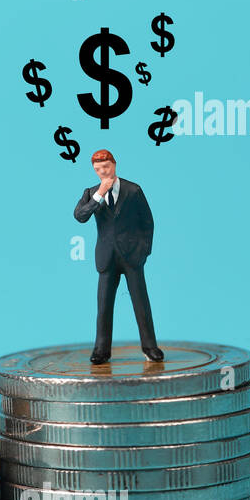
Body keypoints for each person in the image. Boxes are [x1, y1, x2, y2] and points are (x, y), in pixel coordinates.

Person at [73, 149, 163, 364]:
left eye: (106, 167)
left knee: (141, 303)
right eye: (97, 169)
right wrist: (98, 195)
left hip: (132, 257)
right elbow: (80, 216)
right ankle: (101, 350)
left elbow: (147, 222)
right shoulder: (91, 192)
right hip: (106, 258)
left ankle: (150, 347)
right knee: (103, 306)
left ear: (114, 164)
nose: (103, 171)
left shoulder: (133, 190)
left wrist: (144, 251)